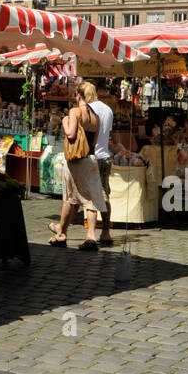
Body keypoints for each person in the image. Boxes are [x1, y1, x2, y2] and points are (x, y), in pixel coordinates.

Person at [48, 80, 108, 251]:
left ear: (79, 95)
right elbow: (94, 143)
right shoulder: (95, 117)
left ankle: (62, 234)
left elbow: (71, 134)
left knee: (69, 198)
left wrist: (65, 121)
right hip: (90, 158)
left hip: (76, 160)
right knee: (90, 198)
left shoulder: (75, 112)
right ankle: (90, 236)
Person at [88, 82, 115, 245]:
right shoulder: (108, 110)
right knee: (104, 194)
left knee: (89, 195)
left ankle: (90, 233)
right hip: (104, 155)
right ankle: (105, 231)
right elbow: (108, 135)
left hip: (92, 156)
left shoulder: (89, 108)